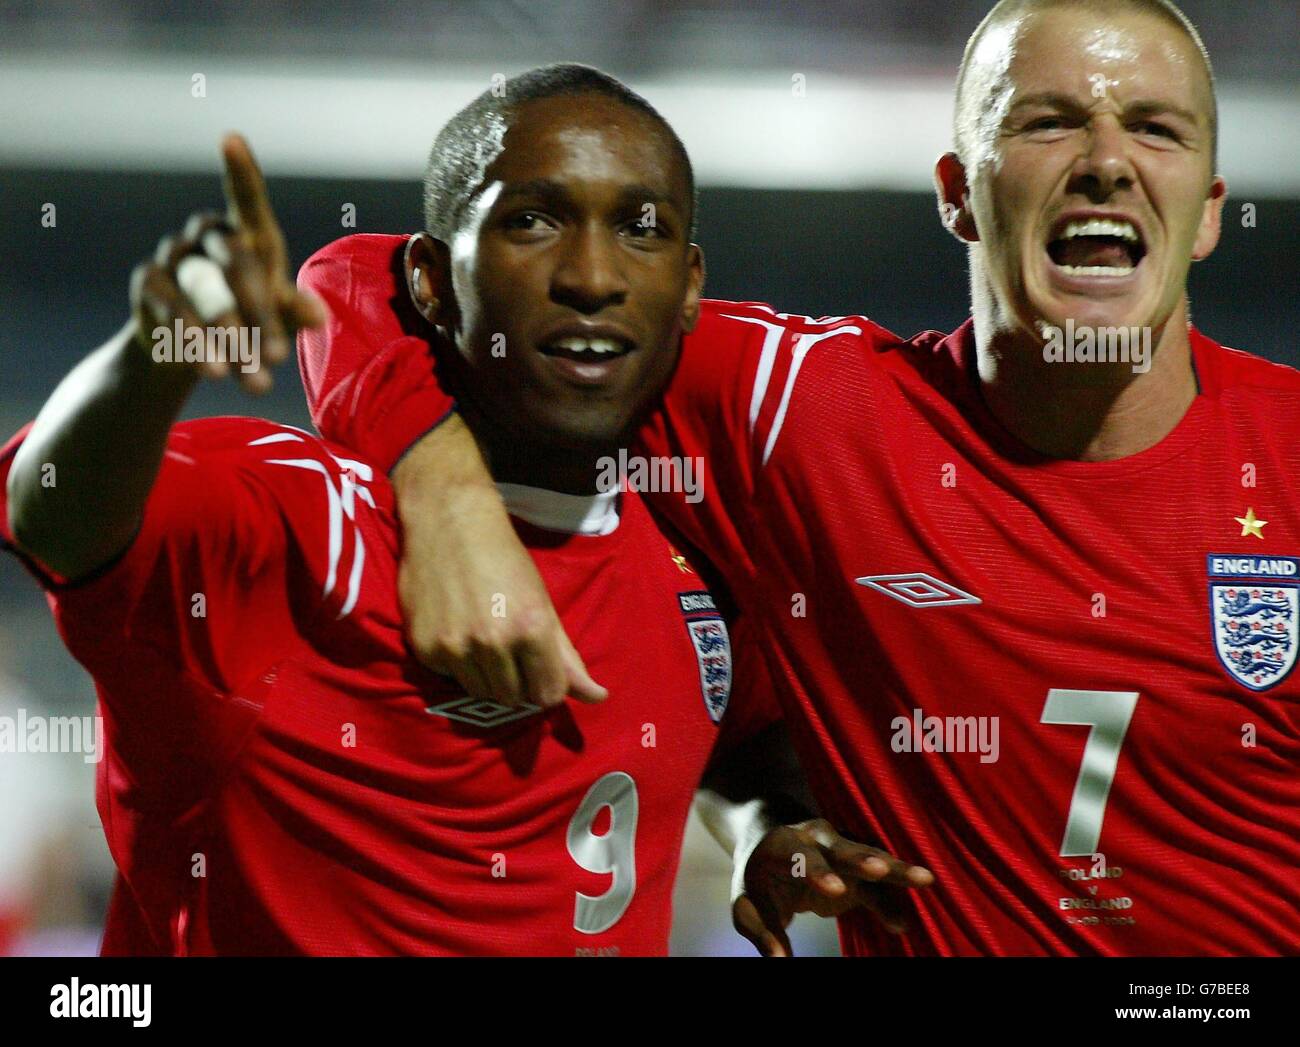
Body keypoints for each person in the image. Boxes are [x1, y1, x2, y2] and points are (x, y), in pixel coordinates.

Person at [299, 1, 1300, 956]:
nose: (1106, 163)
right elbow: (356, 278)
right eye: (1047, 123)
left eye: (1156, 130)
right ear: (956, 193)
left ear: (1207, 214)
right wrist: (449, 502)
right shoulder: (793, 412)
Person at [1, 70, 929, 955]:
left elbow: (742, 728)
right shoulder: (300, 519)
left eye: (639, 231)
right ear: (432, 283)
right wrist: (149, 354)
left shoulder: (695, 557)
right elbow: (48, 507)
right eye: (532, 221)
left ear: (689, 286)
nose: (592, 275)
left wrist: (768, 824)